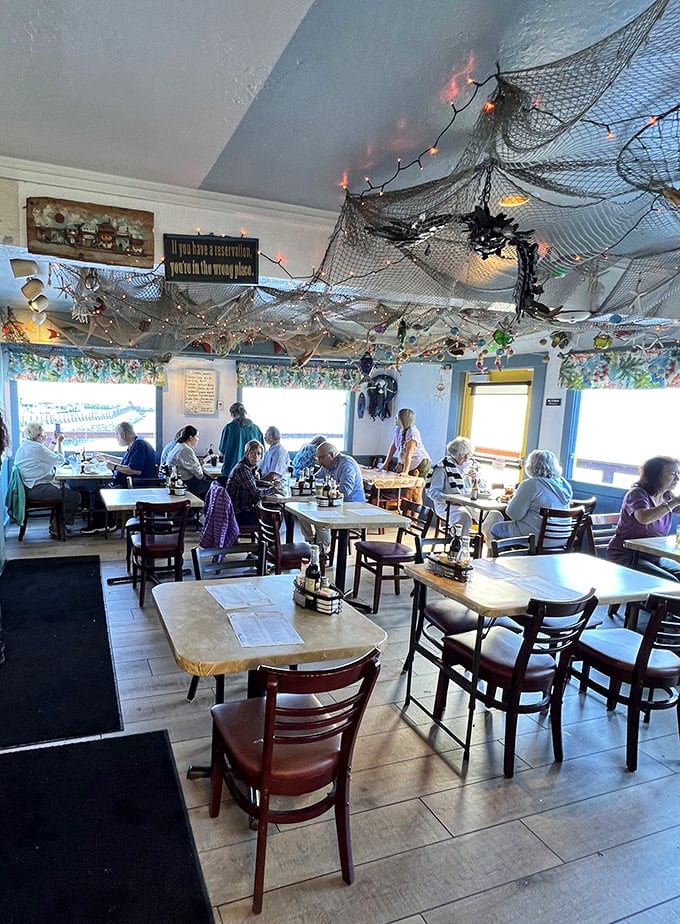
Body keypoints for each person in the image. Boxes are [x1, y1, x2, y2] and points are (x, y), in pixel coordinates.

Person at [607, 455, 680, 581]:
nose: (677, 478)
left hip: (653, 556)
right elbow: (643, 518)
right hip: (626, 554)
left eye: (678, 473)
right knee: (669, 582)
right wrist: (674, 502)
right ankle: (647, 601)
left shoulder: (667, 496)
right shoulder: (637, 494)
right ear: (655, 474)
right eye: (672, 473)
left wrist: (673, 501)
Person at [79, 421, 157, 534]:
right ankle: (106, 522)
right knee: (100, 488)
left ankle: (104, 524)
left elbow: (135, 470)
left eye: (116, 435)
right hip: (129, 482)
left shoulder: (139, 445)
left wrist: (113, 466)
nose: (116, 438)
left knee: (100, 492)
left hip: (135, 485)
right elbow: (125, 462)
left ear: (123, 435)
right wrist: (106, 457)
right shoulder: (135, 443)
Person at [482, 448, 573, 545]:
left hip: (537, 538)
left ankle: (499, 558)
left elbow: (513, 514)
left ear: (531, 465)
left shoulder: (531, 484)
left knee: (496, 528)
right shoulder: (563, 485)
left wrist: (512, 500)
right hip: (562, 538)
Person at [12, 421, 81, 537]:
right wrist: (59, 443)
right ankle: (57, 526)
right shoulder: (36, 448)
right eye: (42, 434)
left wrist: (54, 441)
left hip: (28, 487)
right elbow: (60, 461)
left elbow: (46, 455)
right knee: (73, 496)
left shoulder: (27, 446)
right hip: (35, 489)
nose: (44, 436)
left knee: (66, 489)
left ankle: (59, 524)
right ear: (37, 436)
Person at [299, 441, 366, 547]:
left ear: (331, 455)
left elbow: (345, 490)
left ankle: (322, 550)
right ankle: (311, 542)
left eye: (321, 458)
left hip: (352, 506)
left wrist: (329, 490)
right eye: (318, 459)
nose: (319, 462)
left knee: (320, 519)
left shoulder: (347, 464)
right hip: (336, 504)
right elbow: (316, 478)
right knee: (302, 512)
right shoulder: (327, 465)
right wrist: (306, 480)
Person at [426, 436, 475, 537]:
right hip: (447, 505)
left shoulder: (470, 467)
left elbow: (480, 488)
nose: (466, 458)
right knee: (463, 517)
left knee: (493, 515)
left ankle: (493, 549)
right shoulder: (442, 467)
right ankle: (458, 547)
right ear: (454, 454)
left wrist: (476, 479)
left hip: (469, 503)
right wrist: (449, 499)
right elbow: (433, 492)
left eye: (468, 454)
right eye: (463, 455)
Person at [381, 408, 431, 504]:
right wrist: (386, 463)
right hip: (409, 462)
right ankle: (406, 513)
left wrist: (405, 472)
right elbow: (393, 446)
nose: (395, 420)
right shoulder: (398, 429)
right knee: (405, 492)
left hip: (420, 463)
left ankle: (415, 517)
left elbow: (409, 454)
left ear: (402, 420)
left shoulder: (412, 433)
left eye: (397, 418)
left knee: (416, 492)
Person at [226, 440, 278, 527]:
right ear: (246, 454)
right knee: (275, 516)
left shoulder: (246, 467)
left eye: (259, 453)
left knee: (276, 508)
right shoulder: (242, 469)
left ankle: (267, 539)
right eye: (252, 453)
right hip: (238, 512)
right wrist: (274, 489)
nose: (256, 457)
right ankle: (270, 539)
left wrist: (267, 484)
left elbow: (251, 481)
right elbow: (257, 494)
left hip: (242, 508)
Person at [165, 425, 212, 499]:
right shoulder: (186, 450)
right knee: (214, 486)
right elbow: (199, 475)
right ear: (191, 438)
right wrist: (199, 465)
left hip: (175, 482)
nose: (198, 439)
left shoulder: (178, 446)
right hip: (184, 484)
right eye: (197, 437)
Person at [219, 402, 264, 478]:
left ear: (232, 414)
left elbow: (222, 448)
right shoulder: (255, 428)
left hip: (231, 470)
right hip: (250, 471)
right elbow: (262, 450)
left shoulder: (229, 428)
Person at [200, 476, 240, 549]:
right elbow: (256, 494)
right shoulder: (243, 469)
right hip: (236, 512)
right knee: (262, 517)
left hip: (232, 508)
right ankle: (260, 550)